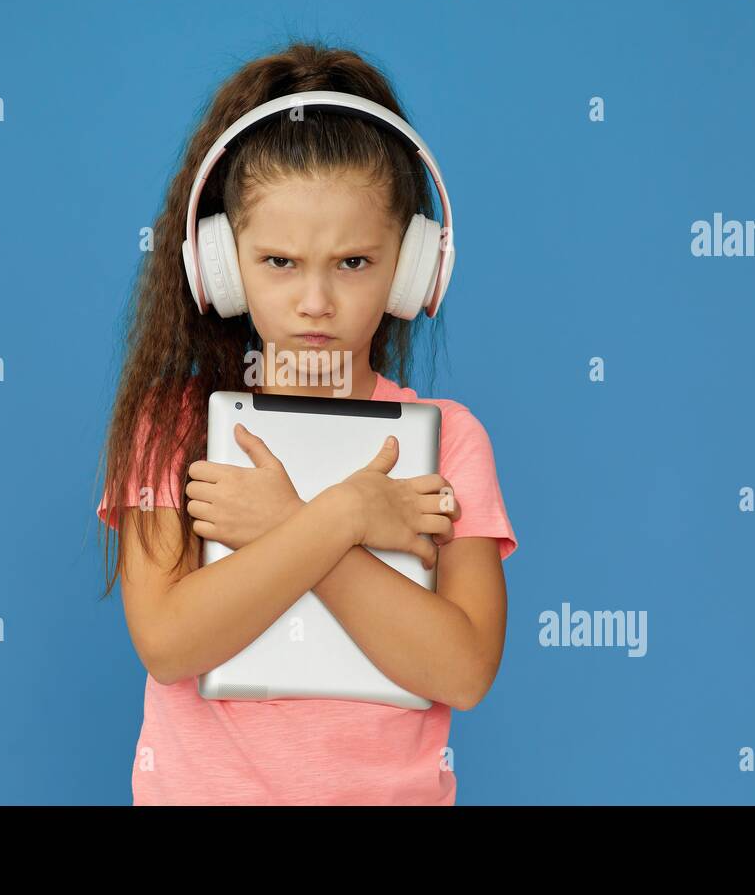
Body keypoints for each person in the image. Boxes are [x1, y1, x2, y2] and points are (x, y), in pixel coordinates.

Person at [94, 40, 518, 805]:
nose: (315, 302)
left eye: (353, 262)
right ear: (220, 267)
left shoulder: (451, 439)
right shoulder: (172, 425)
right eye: (279, 262)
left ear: (412, 264)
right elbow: (169, 643)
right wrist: (348, 515)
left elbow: (462, 669)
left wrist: (294, 522)